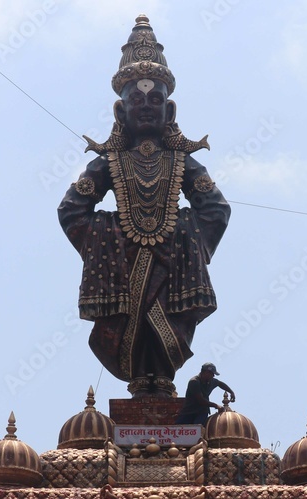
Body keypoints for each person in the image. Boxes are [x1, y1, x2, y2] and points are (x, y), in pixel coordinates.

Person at [58, 15, 230, 398]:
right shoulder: (108, 163)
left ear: (170, 112)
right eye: (137, 100)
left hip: (174, 266)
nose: (147, 107)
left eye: (156, 100)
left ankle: (160, 380)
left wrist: (183, 235)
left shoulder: (183, 163)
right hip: (123, 265)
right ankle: (141, 381)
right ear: (122, 113)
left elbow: (215, 209)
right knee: (129, 330)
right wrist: (113, 235)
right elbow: (72, 209)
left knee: (167, 326)